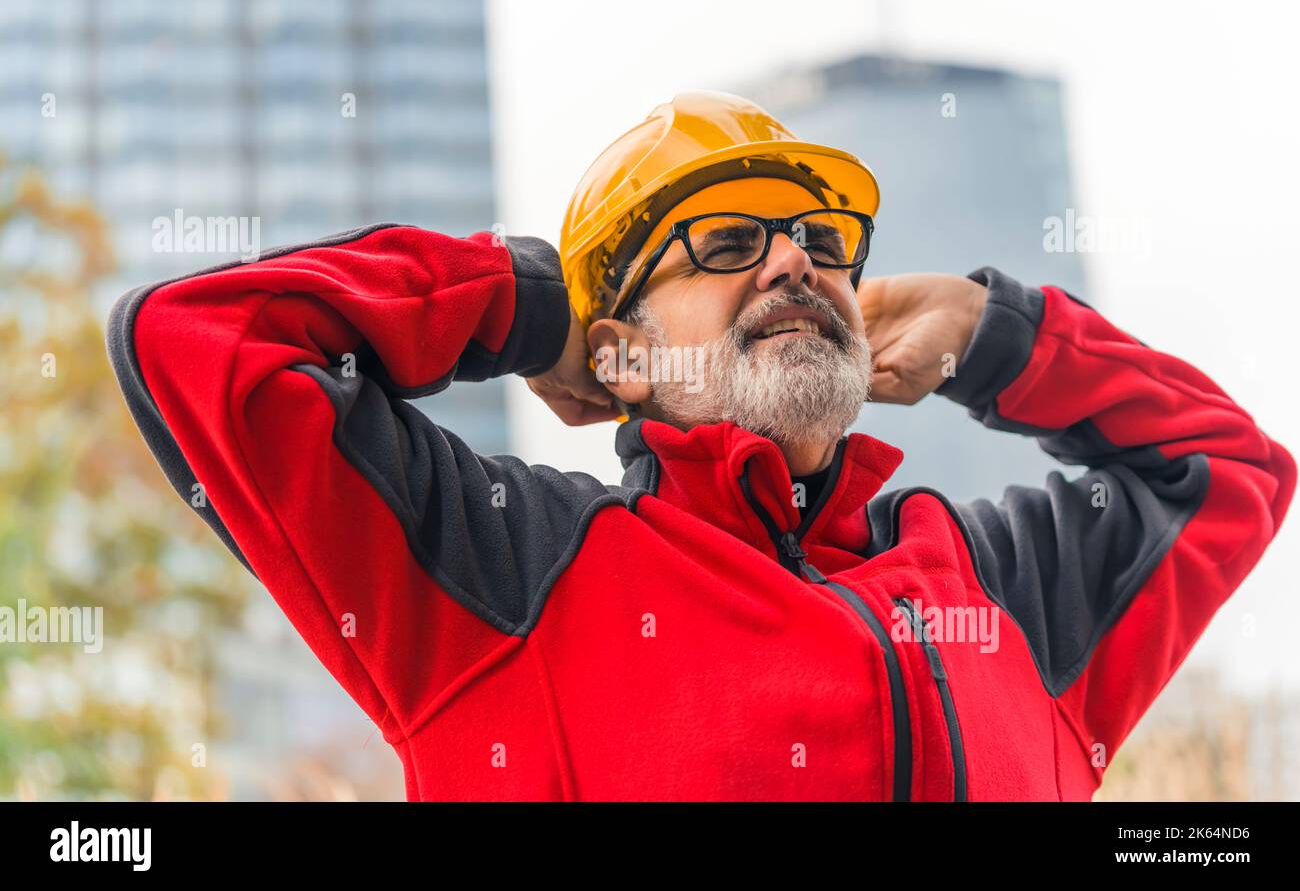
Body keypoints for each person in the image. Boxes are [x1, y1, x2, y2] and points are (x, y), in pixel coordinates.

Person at [107, 90, 1295, 800]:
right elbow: (196, 341)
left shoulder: (1002, 587)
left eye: (822, 242)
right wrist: (524, 303)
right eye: (726, 243)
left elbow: (1233, 471)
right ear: (620, 354)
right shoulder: (498, 569)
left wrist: (1004, 339)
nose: (795, 264)